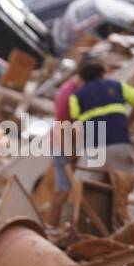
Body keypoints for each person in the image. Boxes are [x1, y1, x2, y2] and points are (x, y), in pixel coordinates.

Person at [68, 57, 134, 183]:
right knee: (127, 189)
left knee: (83, 190)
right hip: (121, 145)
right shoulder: (118, 85)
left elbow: (75, 128)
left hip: (94, 151)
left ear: (82, 78)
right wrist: (128, 122)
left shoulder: (76, 97)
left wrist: (73, 153)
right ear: (102, 73)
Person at [45, 69, 84, 227]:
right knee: (64, 190)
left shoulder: (69, 90)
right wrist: (72, 151)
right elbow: (66, 124)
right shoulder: (70, 93)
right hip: (64, 144)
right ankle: (50, 227)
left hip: (63, 142)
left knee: (65, 190)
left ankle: (55, 227)